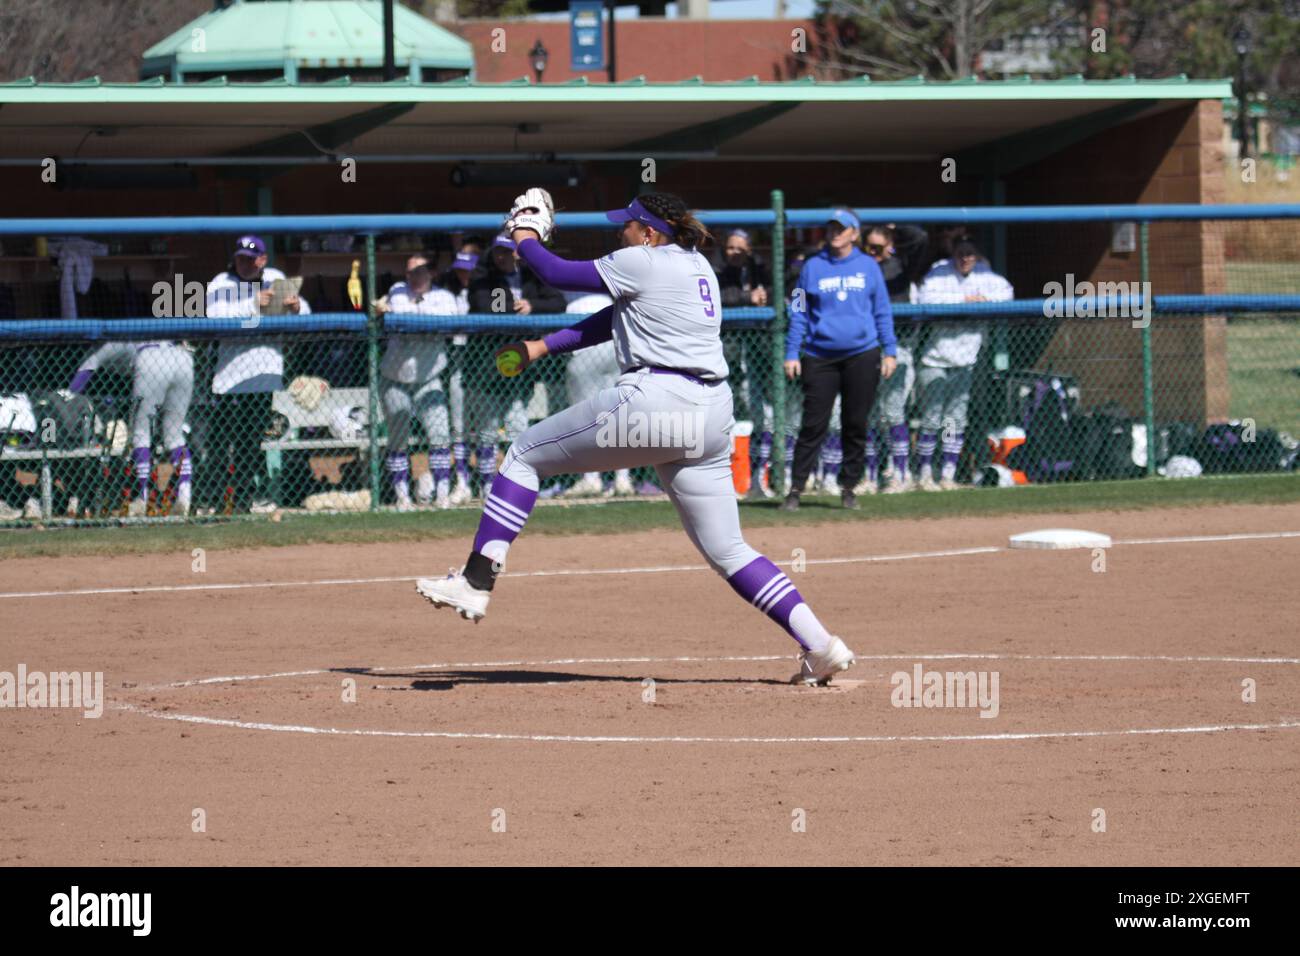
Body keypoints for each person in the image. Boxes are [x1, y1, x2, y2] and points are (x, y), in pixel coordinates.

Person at [417, 190, 857, 686]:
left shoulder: (643, 259)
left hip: (657, 399)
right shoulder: (695, 265)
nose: (620, 230)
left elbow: (557, 274)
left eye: (627, 224)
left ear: (649, 232)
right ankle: (821, 645)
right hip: (711, 413)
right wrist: (541, 346)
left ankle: (476, 580)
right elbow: (616, 319)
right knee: (730, 551)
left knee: (522, 456)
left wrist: (523, 233)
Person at [780, 207, 896, 512]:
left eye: (841, 228)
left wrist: (890, 350)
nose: (835, 233)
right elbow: (799, 311)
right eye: (831, 228)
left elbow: (882, 310)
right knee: (812, 424)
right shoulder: (811, 267)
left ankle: (848, 487)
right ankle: (795, 489)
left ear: (854, 234)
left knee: (855, 423)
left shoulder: (869, 266)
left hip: (862, 353)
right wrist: (793, 352)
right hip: (820, 356)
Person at [203, 235, 310, 513]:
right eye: (240, 258)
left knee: (250, 441)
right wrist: (253, 304)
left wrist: (297, 308)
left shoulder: (275, 277)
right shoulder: (221, 282)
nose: (245, 263)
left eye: (251, 259)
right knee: (219, 441)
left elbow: (305, 312)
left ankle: (245, 499)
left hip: (264, 372)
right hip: (229, 377)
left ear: (262, 260)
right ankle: (213, 499)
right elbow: (214, 317)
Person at [464, 234, 566, 498]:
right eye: (498, 252)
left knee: (518, 423)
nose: (502, 257)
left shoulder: (531, 275)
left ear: (517, 254)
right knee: (487, 427)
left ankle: (516, 483)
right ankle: (486, 482)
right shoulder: (484, 276)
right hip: (488, 363)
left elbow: (558, 303)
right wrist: (514, 306)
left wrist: (532, 306)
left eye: (507, 252)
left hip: (521, 363)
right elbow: (489, 308)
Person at [914, 239, 1013, 490]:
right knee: (930, 419)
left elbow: (1006, 293)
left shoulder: (984, 273)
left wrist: (981, 299)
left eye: (970, 254)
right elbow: (926, 298)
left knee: (953, 421)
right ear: (954, 253)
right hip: (934, 358)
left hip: (966, 360)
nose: (965, 258)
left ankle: (948, 473)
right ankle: (925, 472)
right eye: (961, 253)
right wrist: (964, 299)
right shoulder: (939, 271)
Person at [376, 254, 464, 510]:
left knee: (438, 435)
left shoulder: (445, 297)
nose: (415, 276)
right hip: (395, 377)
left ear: (431, 273)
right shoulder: (397, 291)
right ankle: (402, 496)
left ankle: (442, 495)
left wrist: (415, 316)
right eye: (411, 272)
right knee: (398, 437)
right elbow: (403, 320)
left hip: (429, 377)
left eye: (420, 271)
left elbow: (439, 325)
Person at [70, 338, 194, 516]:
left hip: (150, 360)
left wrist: (67, 396)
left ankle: (141, 498)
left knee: (141, 434)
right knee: (175, 436)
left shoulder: (108, 342)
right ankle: (184, 496)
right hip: (182, 358)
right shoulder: (140, 329)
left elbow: (86, 371)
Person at [859, 223, 929, 495]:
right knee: (868, 415)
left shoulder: (901, 266)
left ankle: (900, 474)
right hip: (865, 347)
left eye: (880, 248)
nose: (875, 253)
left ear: (890, 246)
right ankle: (870, 475)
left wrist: (895, 226)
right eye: (870, 248)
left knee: (892, 412)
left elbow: (921, 238)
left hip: (898, 346)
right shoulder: (860, 267)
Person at [714, 228, 776, 497]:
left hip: (758, 350)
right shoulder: (718, 271)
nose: (735, 253)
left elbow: (784, 293)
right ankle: (728, 478)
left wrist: (765, 297)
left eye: (741, 248)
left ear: (750, 249)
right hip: (727, 351)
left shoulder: (762, 270)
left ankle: (760, 475)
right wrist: (747, 298)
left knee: (761, 412)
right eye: (731, 247)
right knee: (726, 413)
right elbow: (717, 298)